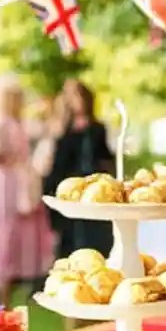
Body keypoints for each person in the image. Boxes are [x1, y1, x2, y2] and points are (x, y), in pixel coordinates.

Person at [0, 74, 55, 307]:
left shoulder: (16, 122)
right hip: (3, 184)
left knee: (20, 235)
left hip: (18, 183)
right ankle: (2, 295)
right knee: (5, 235)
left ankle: (14, 291)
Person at [47, 80, 115, 258]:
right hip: (68, 184)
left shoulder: (97, 128)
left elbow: (105, 157)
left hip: (92, 185)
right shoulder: (62, 128)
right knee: (70, 235)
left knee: (94, 234)